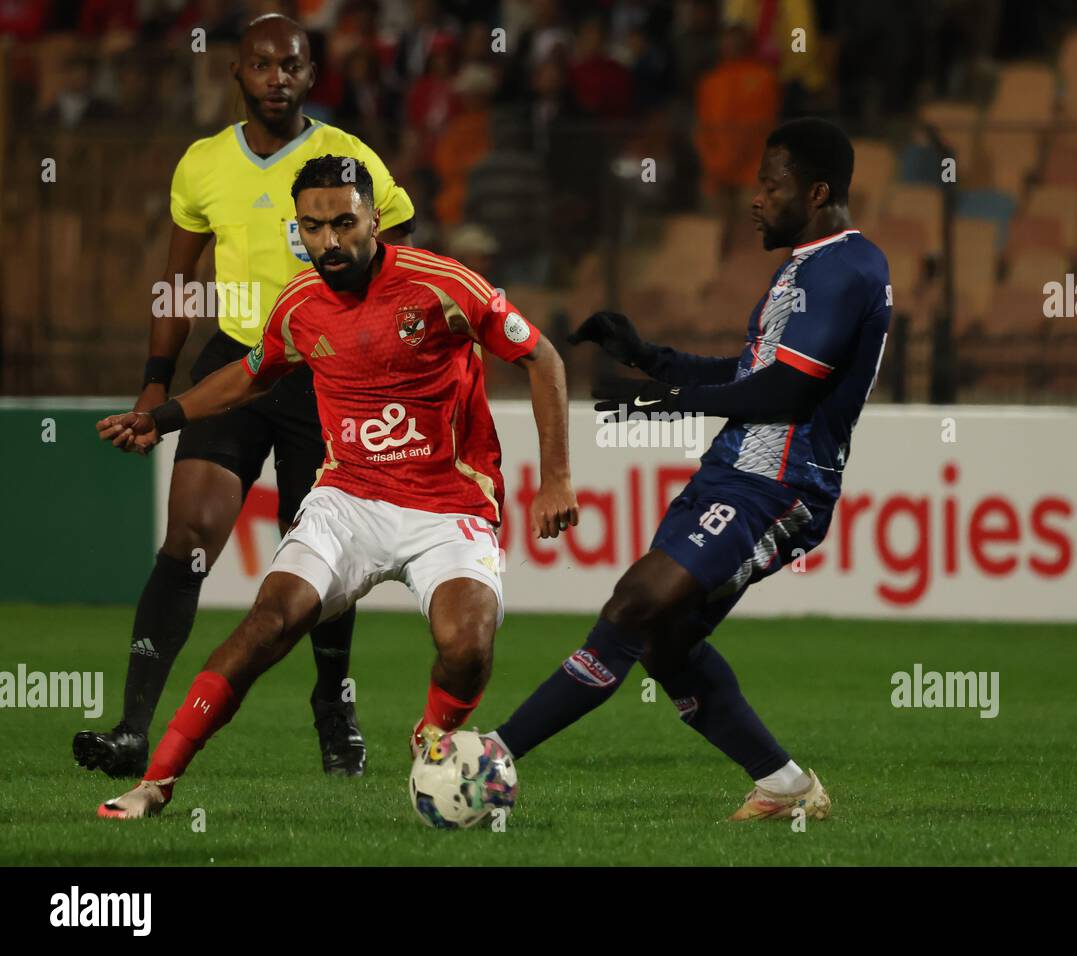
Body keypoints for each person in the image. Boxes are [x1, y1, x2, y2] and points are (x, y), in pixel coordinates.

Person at [94, 154, 579, 819]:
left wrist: (555, 479)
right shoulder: (299, 304)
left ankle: (432, 738)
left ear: (375, 218)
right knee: (268, 623)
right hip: (347, 501)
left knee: (467, 646)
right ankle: (156, 779)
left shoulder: (441, 284)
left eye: (344, 223)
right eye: (312, 227)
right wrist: (164, 415)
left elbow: (541, 356)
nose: (328, 242)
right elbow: (250, 375)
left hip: (448, 506)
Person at [487, 118, 891, 821]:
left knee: (635, 604)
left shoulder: (849, 268)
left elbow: (786, 392)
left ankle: (491, 757)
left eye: (773, 185)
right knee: (665, 644)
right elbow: (750, 373)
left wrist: (663, 401)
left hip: (779, 486)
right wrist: (647, 357)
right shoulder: (806, 267)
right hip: (735, 473)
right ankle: (786, 787)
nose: (756, 199)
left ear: (818, 191)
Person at [73, 14, 415, 779]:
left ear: (309, 73)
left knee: (322, 557)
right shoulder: (201, 166)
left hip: (324, 369)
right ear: (236, 73)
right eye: (261, 64)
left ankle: (334, 707)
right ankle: (134, 729)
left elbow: (399, 259)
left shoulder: (350, 158)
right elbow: (176, 282)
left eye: (289, 64)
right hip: (235, 363)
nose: (276, 77)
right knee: (188, 536)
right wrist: (157, 382)